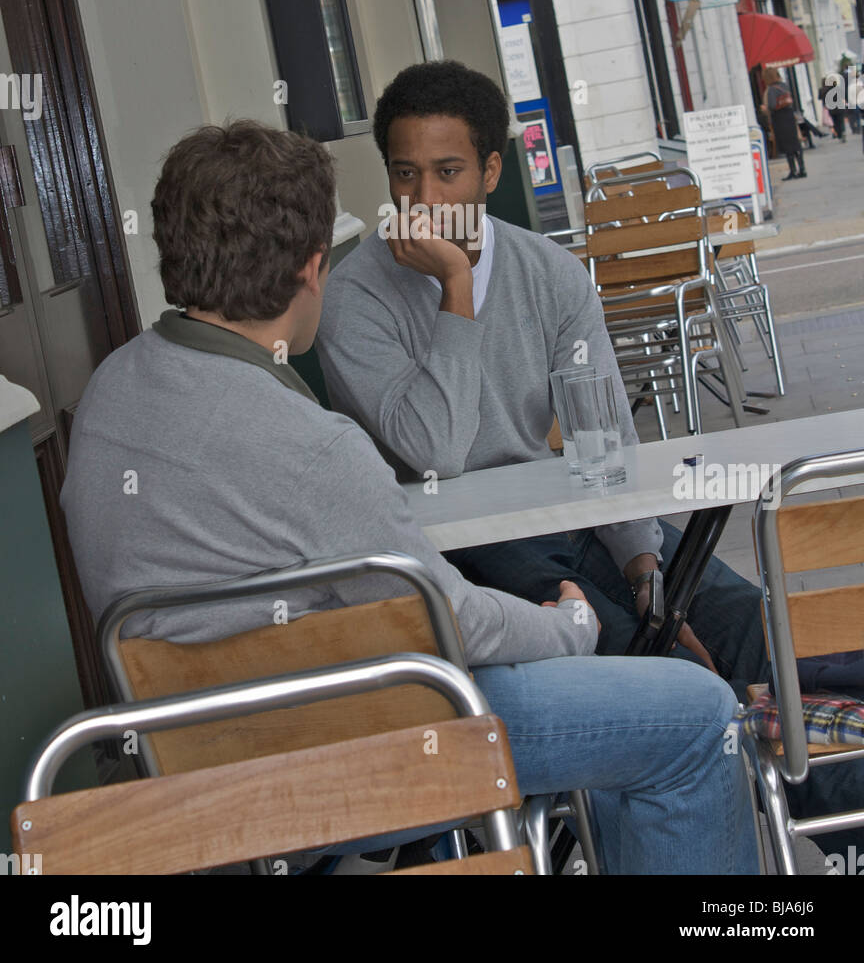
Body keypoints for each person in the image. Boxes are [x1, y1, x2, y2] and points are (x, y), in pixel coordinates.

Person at [59, 119, 757, 876]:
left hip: (190, 760)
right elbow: (452, 622)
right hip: (349, 747)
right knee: (696, 715)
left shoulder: (106, 396)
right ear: (313, 267)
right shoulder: (311, 445)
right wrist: (569, 625)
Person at [316, 59, 864, 859]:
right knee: (662, 671)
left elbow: (604, 435)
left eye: (447, 172)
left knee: (750, 627)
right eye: (405, 175)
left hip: (576, 516)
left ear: (492, 170)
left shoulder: (550, 273)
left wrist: (645, 565)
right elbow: (432, 448)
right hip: (462, 554)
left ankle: (826, 813)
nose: (424, 201)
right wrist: (457, 289)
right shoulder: (352, 298)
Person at [762, 66, 805, 179]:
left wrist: (765, 109)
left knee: (787, 145)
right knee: (795, 143)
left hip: (779, 118)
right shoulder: (784, 86)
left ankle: (793, 170)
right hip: (789, 115)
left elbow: (771, 105)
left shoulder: (771, 89)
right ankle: (802, 168)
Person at [819, 73, 847, 143]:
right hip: (839, 107)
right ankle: (843, 131)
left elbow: (821, 98)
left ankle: (840, 135)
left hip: (831, 108)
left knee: (835, 122)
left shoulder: (824, 90)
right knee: (841, 121)